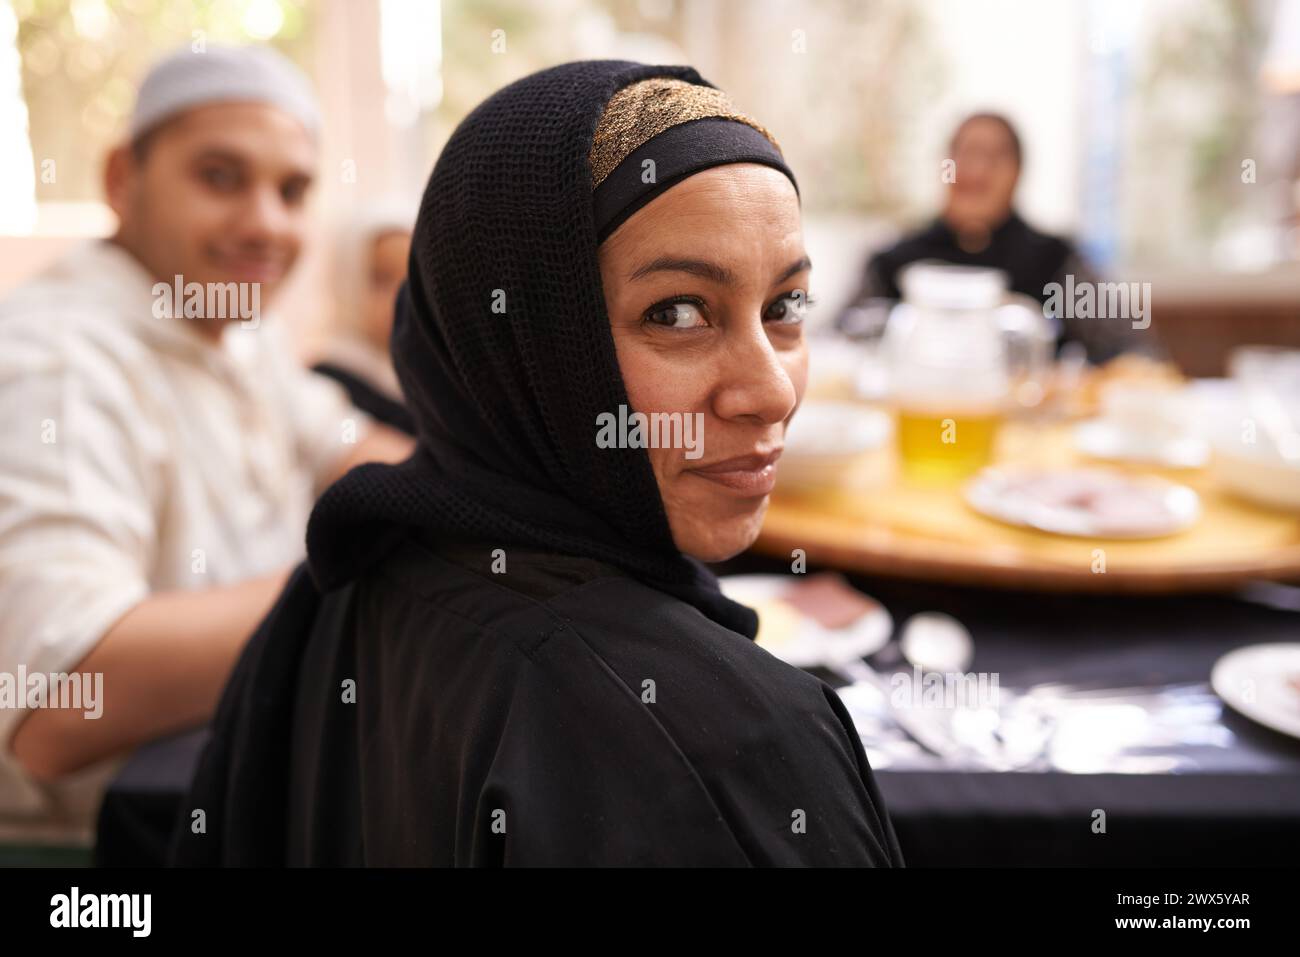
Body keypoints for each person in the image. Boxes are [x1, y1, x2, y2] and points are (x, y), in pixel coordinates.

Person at [171, 61, 903, 867]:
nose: (770, 390)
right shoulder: (722, 738)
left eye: (785, 308)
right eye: (679, 312)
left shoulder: (341, 583)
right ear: (524, 342)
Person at [0, 45, 411, 845]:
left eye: (292, 190)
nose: (264, 221)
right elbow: (60, 700)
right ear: (123, 179)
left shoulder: (231, 334)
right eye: (220, 176)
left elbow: (354, 449)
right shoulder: (56, 362)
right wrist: (366, 566)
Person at [841, 113, 1138, 363]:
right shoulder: (893, 260)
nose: (977, 170)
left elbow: (1133, 354)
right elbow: (837, 346)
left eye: (995, 158)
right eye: (966, 154)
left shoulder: (1056, 260)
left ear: (1018, 173)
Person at [311, 203, 416, 435]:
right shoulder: (329, 383)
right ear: (347, 282)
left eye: (413, 280)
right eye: (381, 279)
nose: (401, 297)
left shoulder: (432, 377)